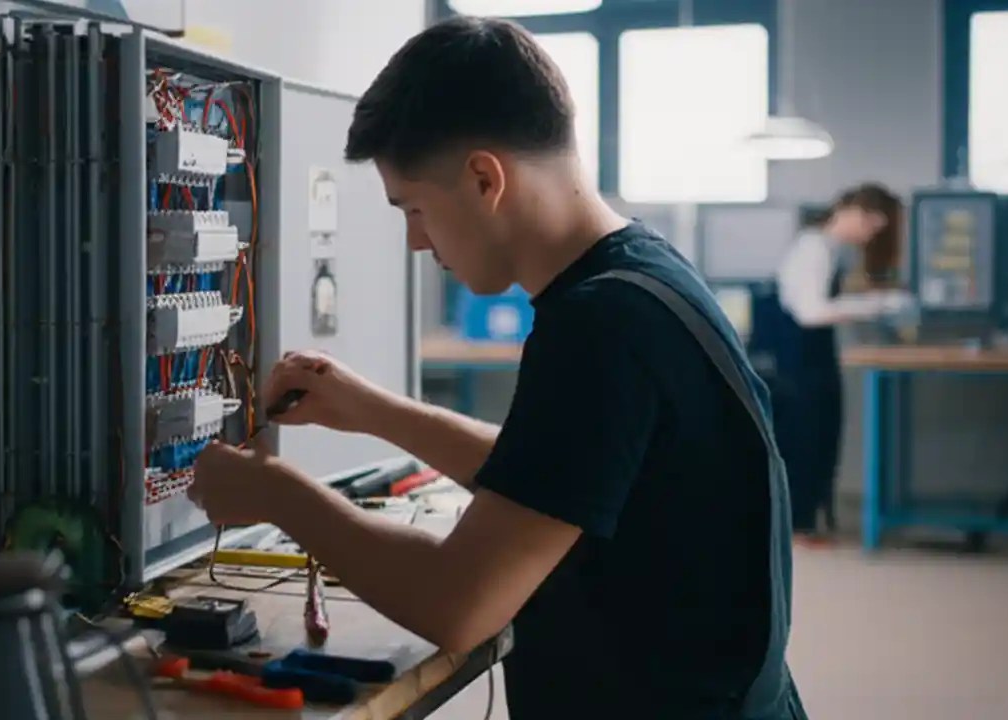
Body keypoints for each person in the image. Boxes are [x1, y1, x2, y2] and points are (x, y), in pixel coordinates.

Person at [189, 16, 807, 719]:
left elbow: (458, 603)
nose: (417, 241)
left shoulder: (600, 327)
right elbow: (556, 481)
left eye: (414, 208)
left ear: (485, 178)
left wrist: (277, 496)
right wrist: (373, 410)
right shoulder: (640, 276)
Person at [749, 184, 911, 546]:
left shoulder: (830, 250)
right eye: (869, 222)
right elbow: (811, 312)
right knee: (805, 442)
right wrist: (877, 305)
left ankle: (807, 522)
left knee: (821, 439)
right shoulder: (813, 248)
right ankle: (798, 526)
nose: (869, 233)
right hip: (797, 367)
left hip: (811, 362)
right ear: (849, 208)